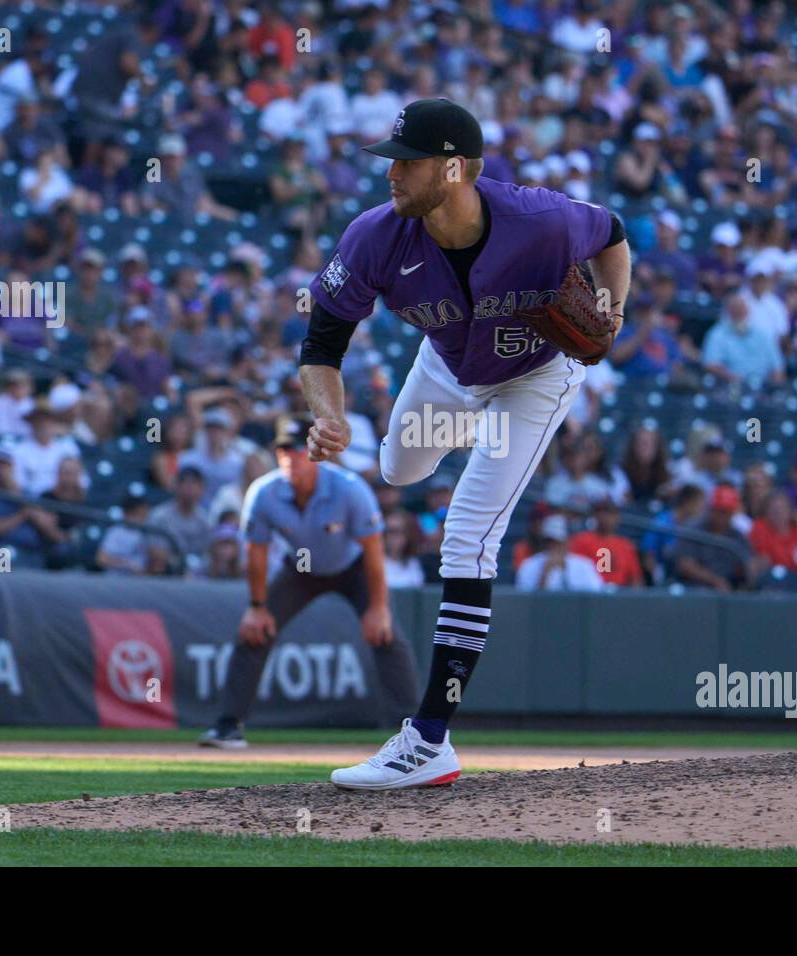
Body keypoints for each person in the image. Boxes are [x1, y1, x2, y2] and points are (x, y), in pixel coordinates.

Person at [295, 98, 630, 789]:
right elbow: (320, 347)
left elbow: (614, 232)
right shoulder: (373, 238)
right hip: (448, 370)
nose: (392, 174)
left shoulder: (540, 220)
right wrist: (329, 415)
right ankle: (474, 431)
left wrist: (614, 305)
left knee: (469, 536)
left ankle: (428, 740)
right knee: (397, 470)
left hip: (531, 382)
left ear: (453, 168)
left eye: (406, 162)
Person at [200, 416, 420, 749]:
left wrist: (377, 608)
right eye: (283, 450)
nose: (291, 458)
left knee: (386, 636)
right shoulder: (264, 492)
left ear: (317, 453)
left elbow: (374, 553)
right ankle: (228, 727)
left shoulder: (349, 489)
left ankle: (414, 732)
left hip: (352, 568)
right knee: (254, 632)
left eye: (299, 449)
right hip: (300, 571)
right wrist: (257, 607)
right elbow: (255, 553)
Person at [516, 514, 605, 591]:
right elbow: (527, 603)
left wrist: (565, 570)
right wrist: (545, 573)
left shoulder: (584, 565)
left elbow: (597, 596)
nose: (554, 546)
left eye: (558, 542)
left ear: (567, 541)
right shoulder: (529, 565)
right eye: (550, 541)